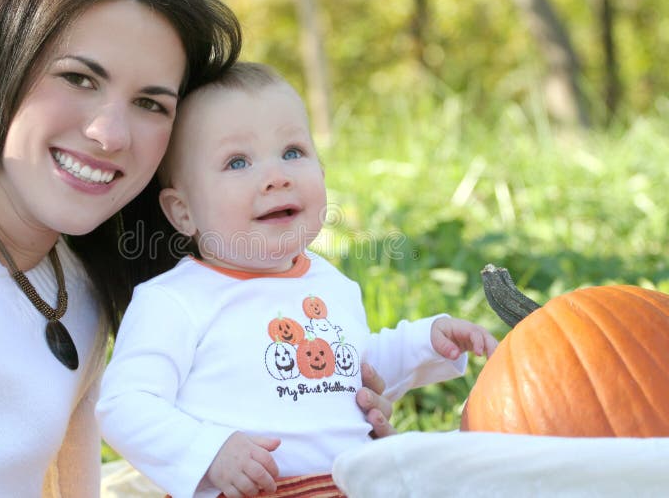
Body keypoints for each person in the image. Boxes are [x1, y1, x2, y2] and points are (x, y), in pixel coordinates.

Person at [0, 0, 394, 496]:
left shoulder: (88, 303)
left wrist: (315, 426)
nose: (109, 134)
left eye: (150, 104)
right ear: (4, 61)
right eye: (78, 78)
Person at [95, 62, 498, 498]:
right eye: (237, 162)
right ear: (183, 212)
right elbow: (124, 405)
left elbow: (350, 369)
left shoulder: (331, 282)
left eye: (292, 152)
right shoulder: (174, 301)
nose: (276, 176)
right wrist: (209, 451)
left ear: (322, 172)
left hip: (351, 483)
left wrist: (425, 341)